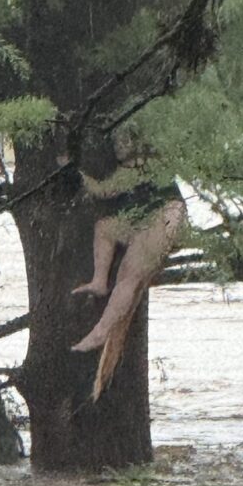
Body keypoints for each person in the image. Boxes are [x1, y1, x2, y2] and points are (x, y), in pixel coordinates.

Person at [71, 164, 186, 400]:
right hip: (144, 215)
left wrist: (79, 175)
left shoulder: (139, 162)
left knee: (129, 274)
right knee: (104, 228)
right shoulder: (134, 164)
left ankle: (101, 331)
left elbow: (105, 190)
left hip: (165, 216)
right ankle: (99, 280)